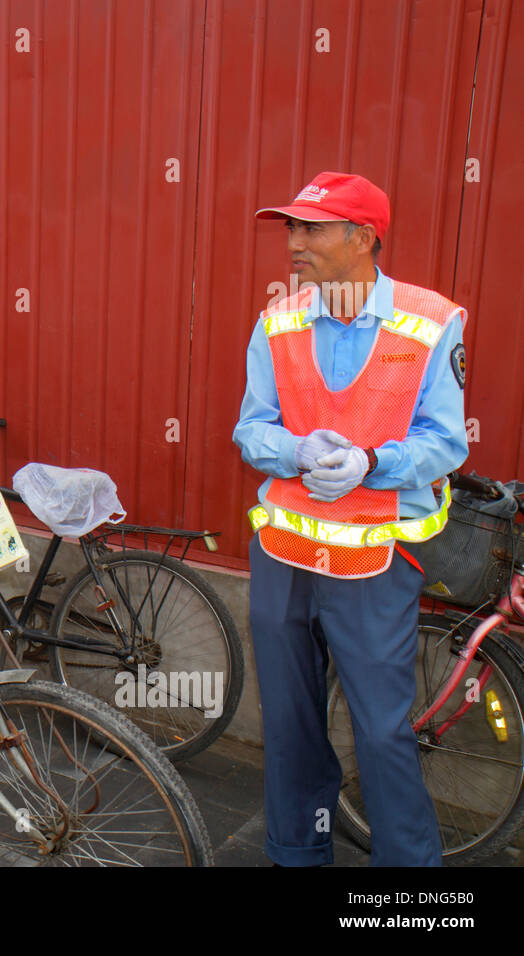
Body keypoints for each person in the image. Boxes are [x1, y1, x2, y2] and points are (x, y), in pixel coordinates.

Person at [232, 171, 469, 866]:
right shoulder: (277, 320)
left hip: (375, 561)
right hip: (283, 555)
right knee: (291, 724)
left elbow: (446, 441)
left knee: (382, 731)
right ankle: (297, 852)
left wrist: (372, 462)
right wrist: (293, 448)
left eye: (311, 228)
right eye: (291, 228)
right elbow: (251, 430)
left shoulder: (430, 322)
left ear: (363, 238)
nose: (294, 243)